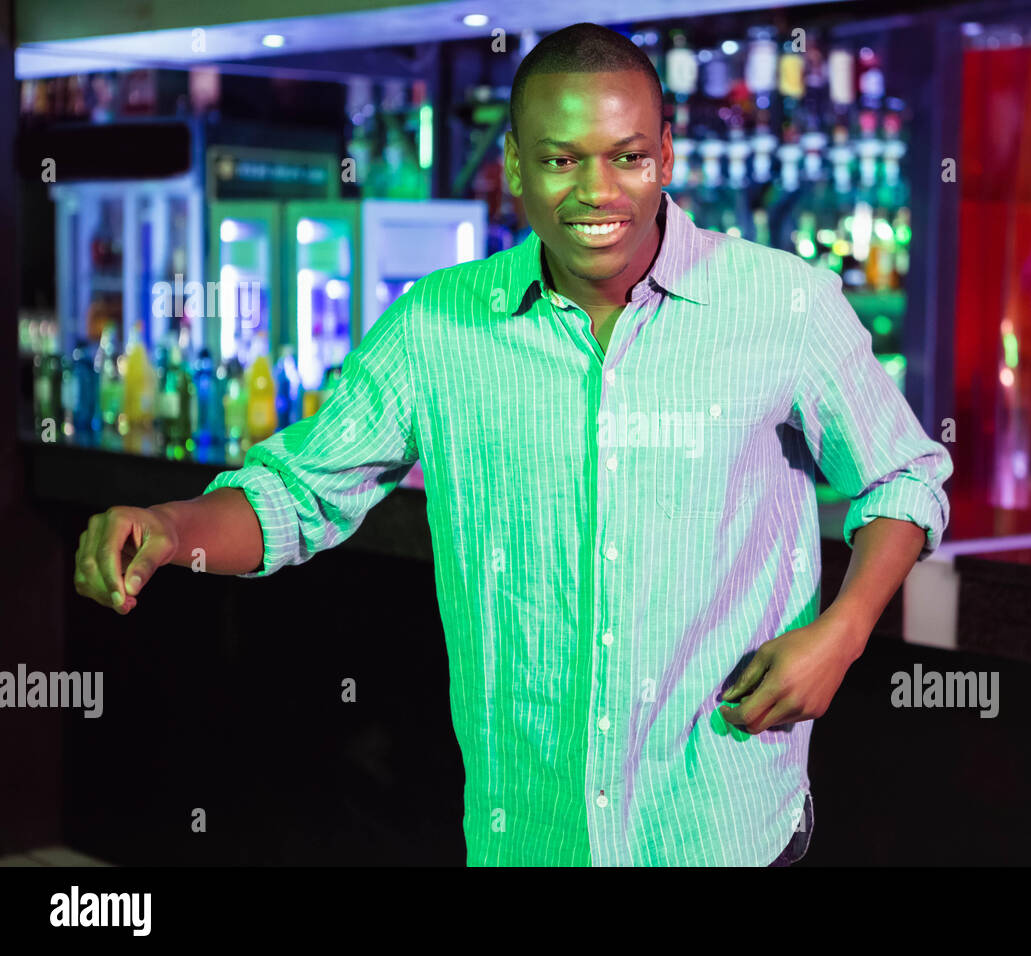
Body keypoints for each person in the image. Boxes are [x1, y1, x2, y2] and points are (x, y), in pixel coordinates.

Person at [73, 22, 953, 866]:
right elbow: (296, 496)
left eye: (627, 157)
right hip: (528, 838)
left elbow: (904, 474)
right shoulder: (436, 327)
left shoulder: (780, 304)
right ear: (515, 169)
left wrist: (843, 631)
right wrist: (170, 524)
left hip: (723, 828)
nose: (597, 191)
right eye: (561, 159)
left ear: (666, 158)